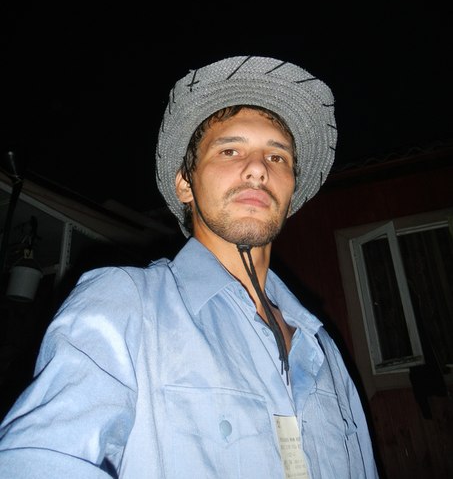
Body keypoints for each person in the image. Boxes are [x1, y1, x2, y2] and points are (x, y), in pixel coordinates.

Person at [0, 55, 379, 478]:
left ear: (290, 193)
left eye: (277, 157)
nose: (258, 168)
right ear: (185, 183)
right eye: (230, 150)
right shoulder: (125, 305)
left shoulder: (324, 350)